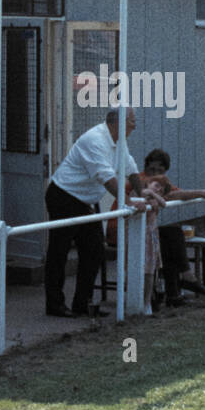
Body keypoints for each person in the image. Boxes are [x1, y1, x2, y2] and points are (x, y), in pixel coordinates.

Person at [45, 108, 162, 318]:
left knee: (94, 250)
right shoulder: (95, 140)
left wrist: (142, 192)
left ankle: (83, 302)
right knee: (59, 252)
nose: (135, 126)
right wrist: (129, 204)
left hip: (84, 201)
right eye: (132, 121)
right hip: (63, 196)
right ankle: (54, 304)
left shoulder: (119, 142)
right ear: (119, 122)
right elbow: (107, 179)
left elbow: (131, 169)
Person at [116, 149, 205, 309]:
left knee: (169, 241)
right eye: (152, 169)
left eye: (160, 170)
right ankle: (183, 279)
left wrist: (203, 193)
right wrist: (203, 193)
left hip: (143, 230)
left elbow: (175, 193)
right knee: (172, 235)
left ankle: (173, 293)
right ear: (145, 168)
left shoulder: (160, 182)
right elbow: (172, 195)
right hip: (123, 230)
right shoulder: (139, 181)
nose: (155, 173)